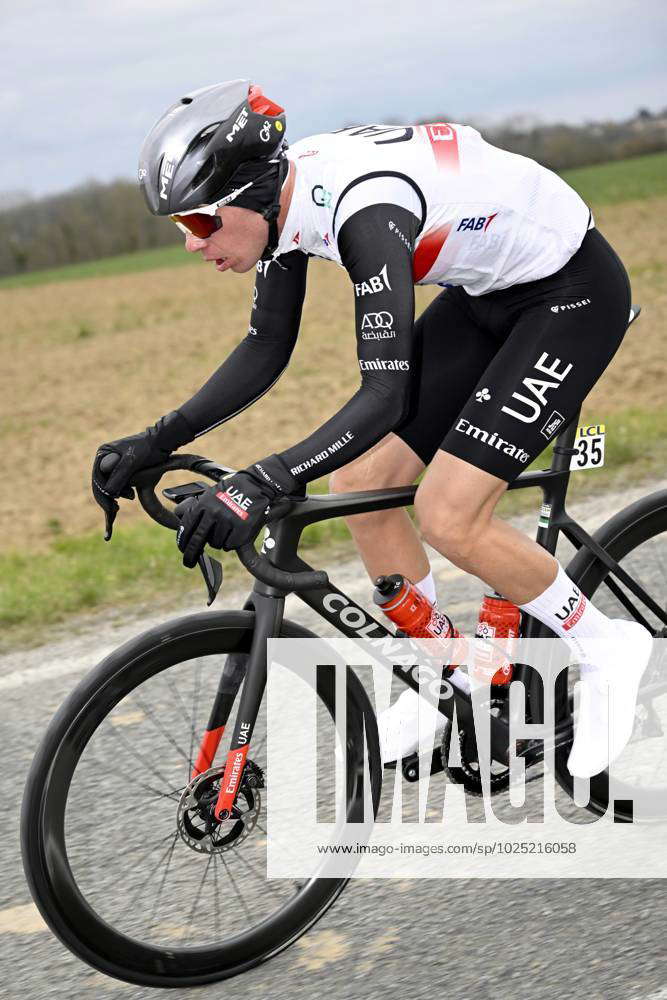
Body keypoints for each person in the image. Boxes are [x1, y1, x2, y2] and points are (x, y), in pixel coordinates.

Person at [92, 79, 652, 780]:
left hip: (569, 293)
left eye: (200, 223)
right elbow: (266, 348)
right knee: (359, 480)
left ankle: (606, 646)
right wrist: (155, 440)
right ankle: (448, 674)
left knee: (449, 515)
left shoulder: (365, 212)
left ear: (249, 194)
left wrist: (263, 480)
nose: (188, 243)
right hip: (484, 295)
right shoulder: (284, 201)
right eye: (180, 227)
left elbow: (383, 396)